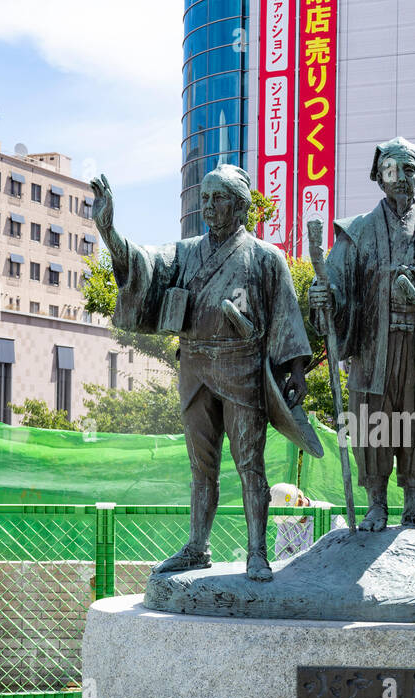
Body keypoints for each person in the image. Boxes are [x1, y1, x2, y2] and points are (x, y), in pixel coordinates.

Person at [91, 164, 310, 582]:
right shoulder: (186, 252)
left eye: (219, 198)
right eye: (205, 198)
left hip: (242, 369)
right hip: (194, 366)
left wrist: (296, 369)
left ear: (241, 206)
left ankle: (257, 552)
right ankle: (197, 547)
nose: (209, 206)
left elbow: (286, 315)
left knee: (250, 465)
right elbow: (142, 266)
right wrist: (109, 232)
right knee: (201, 467)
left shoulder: (266, 258)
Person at [308, 136, 415, 533]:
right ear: (378, 177)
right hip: (374, 349)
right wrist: (324, 296)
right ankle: (376, 504)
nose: (400, 177)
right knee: (370, 421)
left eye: (408, 169)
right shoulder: (356, 232)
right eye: (391, 169)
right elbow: (335, 285)